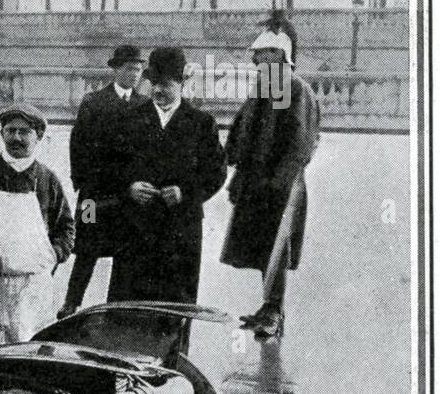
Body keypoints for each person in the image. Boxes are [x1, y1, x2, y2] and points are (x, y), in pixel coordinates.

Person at [221, 19, 321, 338]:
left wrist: (277, 183)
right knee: (264, 248)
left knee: (277, 247)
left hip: (280, 187)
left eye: (268, 57)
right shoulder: (265, 88)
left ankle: (274, 310)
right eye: (259, 57)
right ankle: (267, 305)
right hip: (256, 183)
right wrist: (232, 162)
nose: (261, 63)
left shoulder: (294, 89)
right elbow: (242, 132)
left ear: (282, 58)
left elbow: (300, 143)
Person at [109, 47, 226, 307]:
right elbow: (109, 167)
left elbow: (216, 172)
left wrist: (185, 193)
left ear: (181, 83)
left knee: (175, 309)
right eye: (154, 84)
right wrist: (129, 187)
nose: (158, 90)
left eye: (166, 84)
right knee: (128, 308)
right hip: (135, 228)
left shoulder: (201, 123)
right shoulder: (129, 120)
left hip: (181, 231)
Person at [59, 43, 146, 319]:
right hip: (93, 193)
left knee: (125, 253)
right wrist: (81, 181)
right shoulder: (93, 101)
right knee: (86, 249)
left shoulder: (144, 105)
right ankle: (71, 303)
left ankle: (114, 309)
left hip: (127, 195)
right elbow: (78, 144)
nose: (134, 74)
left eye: (138, 69)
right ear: (116, 70)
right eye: (129, 68)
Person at [0, 103, 75, 342]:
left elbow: (66, 227)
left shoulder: (48, 179)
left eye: (24, 132)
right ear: (2, 134)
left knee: (32, 349)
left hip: (35, 286)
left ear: (38, 136)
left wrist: (54, 254)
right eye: (10, 131)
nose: (16, 138)